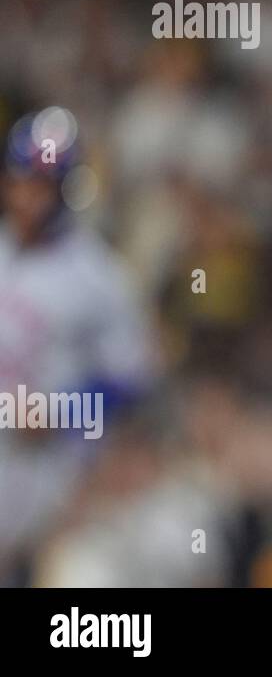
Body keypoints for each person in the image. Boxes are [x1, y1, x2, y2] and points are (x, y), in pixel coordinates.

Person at [0, 108, 155, 584]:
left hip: (49, 469)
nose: (27, 195)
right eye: (21, 180)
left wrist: (62, 412)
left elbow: (134, 382)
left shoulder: (97, 277)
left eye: (41, 185)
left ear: (66, 190)